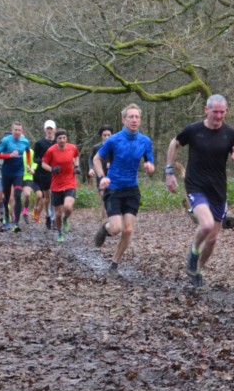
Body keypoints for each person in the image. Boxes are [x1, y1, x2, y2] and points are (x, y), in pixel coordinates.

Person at [165, 94, 234, 289]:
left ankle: (197, 271)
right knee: (206, 225)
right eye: (215, 112)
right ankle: (193, 253)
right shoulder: (194, 130)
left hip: (218, 189)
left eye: (222, 112)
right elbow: (174, 143)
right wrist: (169, 171)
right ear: (206, 110)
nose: (218, 116)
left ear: (226, 111)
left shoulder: (230, 134)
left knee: (213, 239)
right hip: (196, 186)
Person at [92, 104, 155, 277]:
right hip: (113, 189)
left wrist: (150, 168)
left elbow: (150, 164)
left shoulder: (145, 141)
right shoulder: (113, 140)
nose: (134, 120)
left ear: (140, 120)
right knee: (116, 228)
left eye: (137, 117)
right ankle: (105, 228)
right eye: (131, 117)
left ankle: (114, 264)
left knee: (128, 230)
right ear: (123, 120)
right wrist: (102, 177)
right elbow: (97, 159)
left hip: (132, 189)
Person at [41, 129, 80, 242]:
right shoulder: (51, 151)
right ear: (56, 139)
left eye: (64, 138)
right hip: (56, 185)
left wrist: (76, 166)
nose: (62, 140)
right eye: (59, 138)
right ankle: (60, 233)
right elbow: (43, 164)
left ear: (66, 138)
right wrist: (52, 169)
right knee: (58, 214)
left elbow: (76, 156)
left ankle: (66, 219)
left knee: (68, 207)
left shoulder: (72, 148)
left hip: (70, 182)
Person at [0, 122, 31, 232]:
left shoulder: (25, 141)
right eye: (15, 130)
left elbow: (28, 151)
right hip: (6, 172)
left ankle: (16, 223)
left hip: (19, 172)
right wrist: (9, 155)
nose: (17, 132)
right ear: (12, 130)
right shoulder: (6, 141)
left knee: (17, 195)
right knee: (7, 197)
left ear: (22, 131)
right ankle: (6, 219)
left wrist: (28, 164)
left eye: (19, 130)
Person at [32, 120, 57, 229]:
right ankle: (47, 215)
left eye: (51, 128)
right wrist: (42, 162)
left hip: (56, 172)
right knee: (47, 197)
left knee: (55, 195)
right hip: (43, 174)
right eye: (47, 129)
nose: (49, 131)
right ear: (44, 130)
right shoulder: (39, 143)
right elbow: (34, 159)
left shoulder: (58, 142)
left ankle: (54, 218)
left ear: (54, 129)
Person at [87, 124, 113, 219]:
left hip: (113, 176)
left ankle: (110, 220)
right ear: (101, 136)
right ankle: (105, 221)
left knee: (112, 199)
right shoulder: (96, 147)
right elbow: (91, 159)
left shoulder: (115, 146)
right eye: (104, 135)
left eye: (109, 135)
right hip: (101, 176)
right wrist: (91, 168)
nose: (107, 137)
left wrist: (112, 164)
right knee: (105, 198)